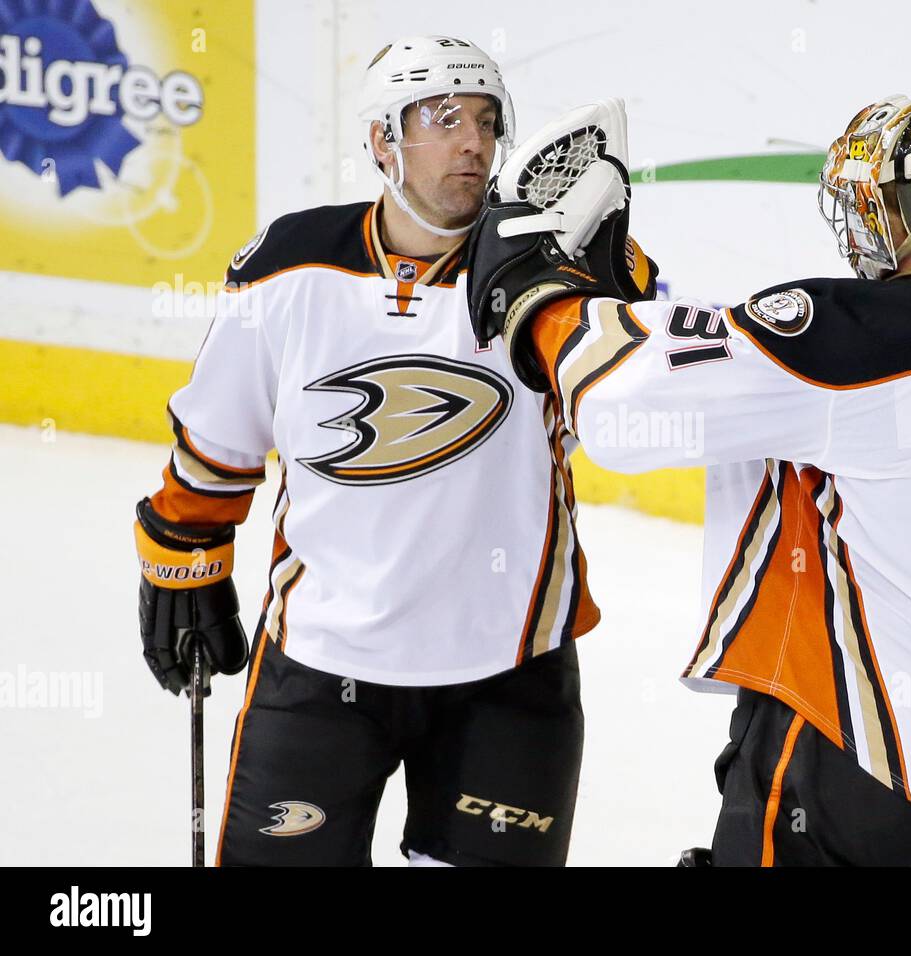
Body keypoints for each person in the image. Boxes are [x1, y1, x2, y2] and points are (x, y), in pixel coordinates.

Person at [466, 96, 911, 865]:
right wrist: (647, 302)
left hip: (859, 762)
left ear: (886, 214)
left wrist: (543, 305)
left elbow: (621, 413)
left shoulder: (850, 336)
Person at [133, 36, 652, 867]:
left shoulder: (556, 271)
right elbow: (219, 441)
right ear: (381, 140)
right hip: (322, 665)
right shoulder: (286, 268)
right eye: (442, 119)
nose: (472, 142)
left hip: (510, 669)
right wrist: (181, 552)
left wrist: (620, 291)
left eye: (484, 120)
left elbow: (646, 409)